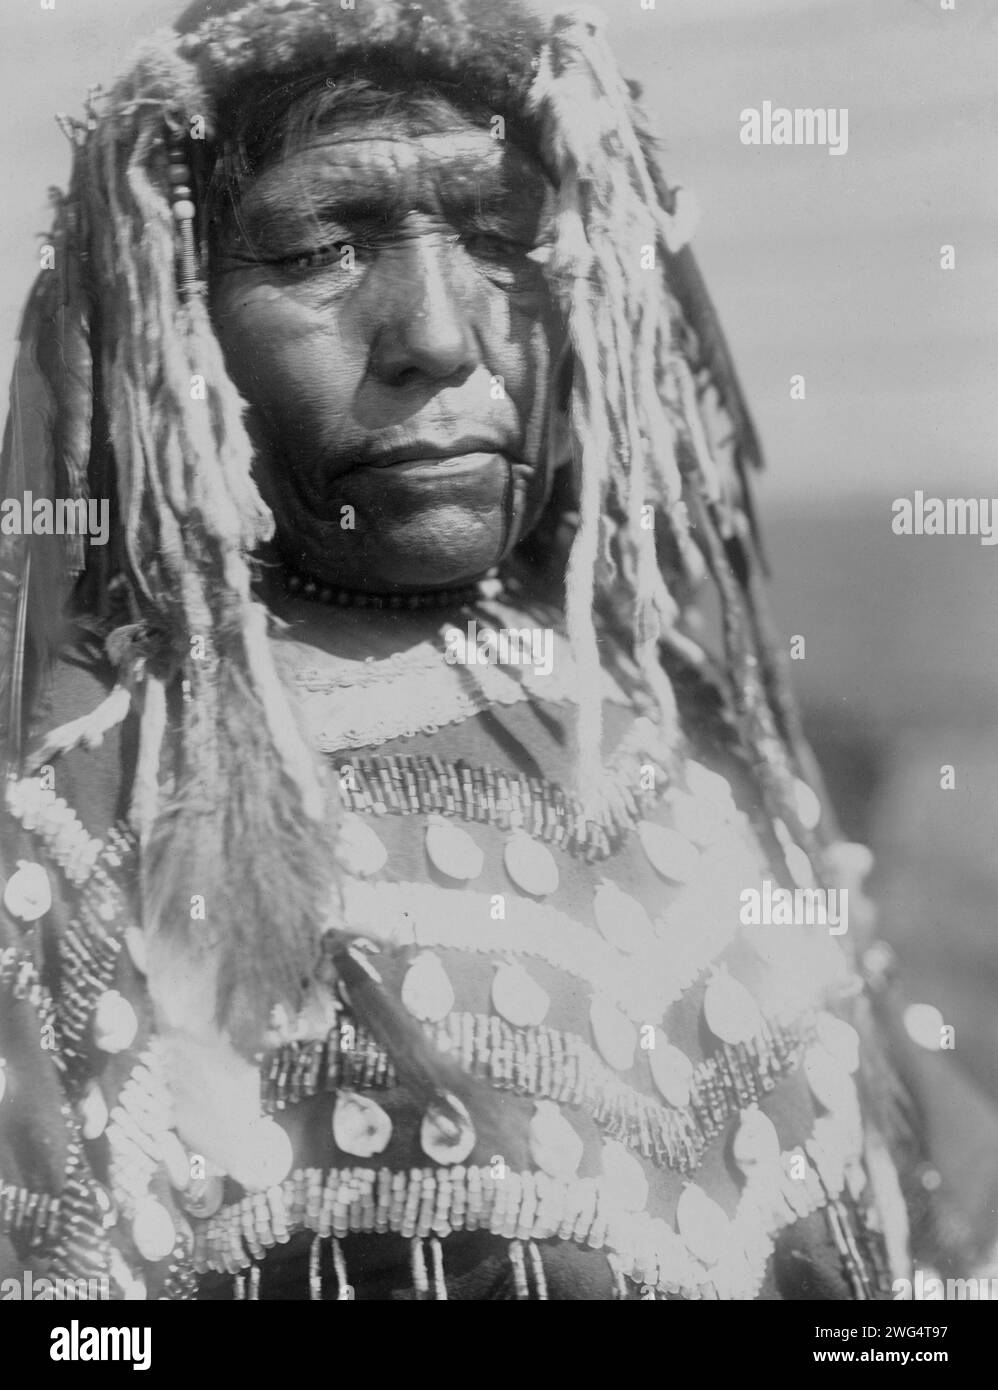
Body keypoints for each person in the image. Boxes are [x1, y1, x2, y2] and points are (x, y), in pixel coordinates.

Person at [0, 0, 988, 1301]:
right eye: (321, 248)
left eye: (502, 234)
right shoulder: (93, 822)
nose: (438, 335)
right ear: (177, 315)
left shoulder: (699, 725)